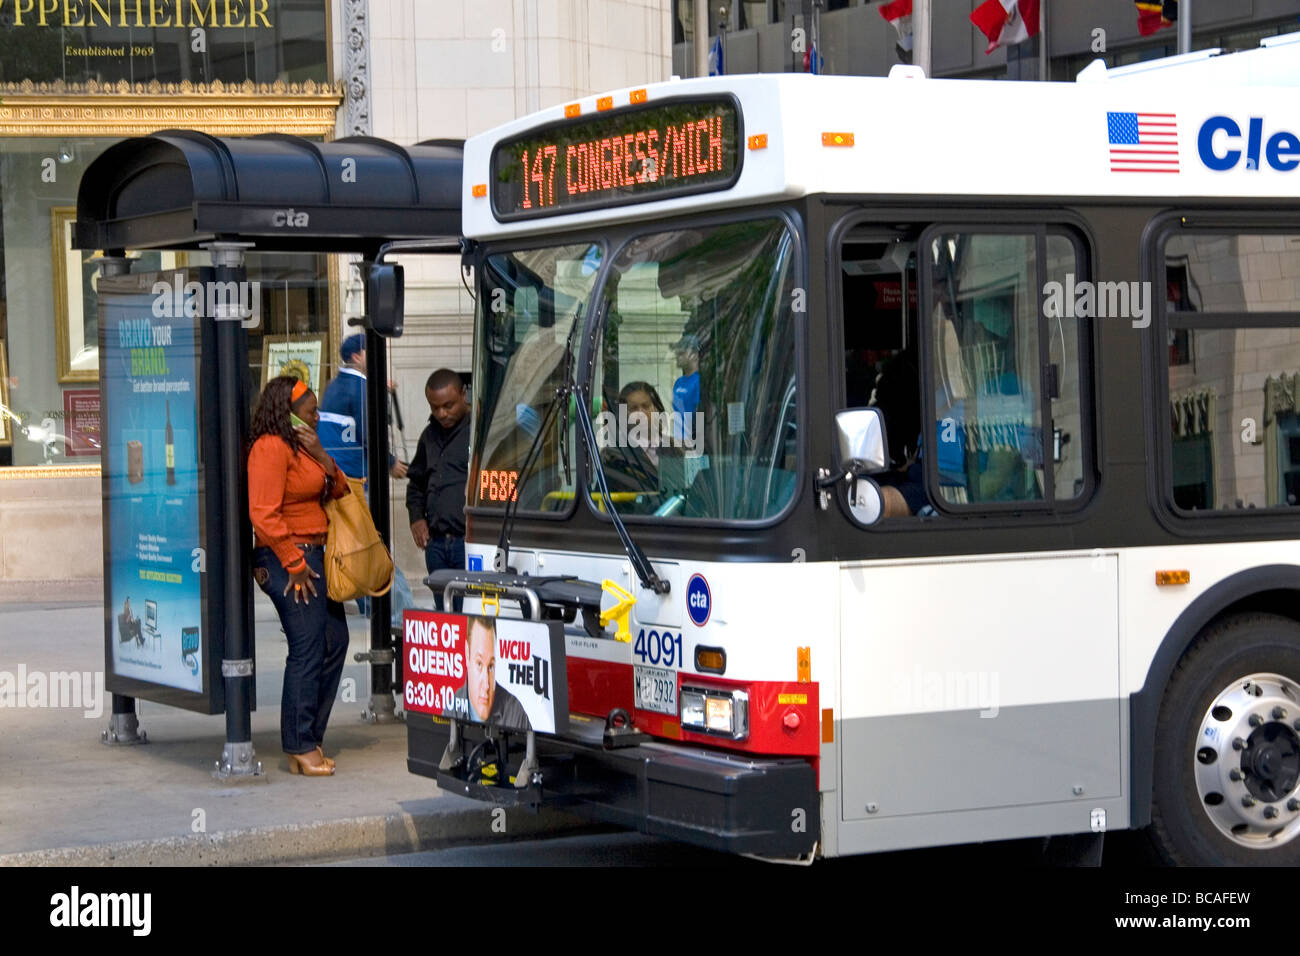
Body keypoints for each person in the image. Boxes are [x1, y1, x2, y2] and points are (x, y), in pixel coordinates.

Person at [247, 376, 351, 776]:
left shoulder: (303, 445)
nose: (318, 414)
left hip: (314, 554)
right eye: (310, 410)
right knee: (308, 647)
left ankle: (309, 737)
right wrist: (293, 562)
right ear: (287, 412)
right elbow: (263, 513)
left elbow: (339, 489)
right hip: (289, 560)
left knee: (334, 639)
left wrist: (322, 455)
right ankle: (300, 744)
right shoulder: (270, 447)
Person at [317, 332, 411, 616]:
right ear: (358, 356)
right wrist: (391, 463)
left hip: (336, 480)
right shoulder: (361, 389)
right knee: (374, 545)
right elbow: (371, 433)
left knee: (353, 545)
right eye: (372, 350)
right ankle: (400, 611)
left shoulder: (335, 386)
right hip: (357, 481)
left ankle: (370, 602)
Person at [406, 368, 470, 611]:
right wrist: (416, 518)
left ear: (464, 395)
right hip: (436, 544)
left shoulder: (477, 431)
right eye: (435, 407)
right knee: (444, 615)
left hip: (467, 542)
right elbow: (416, 484)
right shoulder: (429, 436)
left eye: (449, 405)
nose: (442, 413)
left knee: (469, 617)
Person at [446, 616, 530, 730]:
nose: (486, 685)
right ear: (467, 654)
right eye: (479, 664)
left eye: (491, 666)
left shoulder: (515, 712)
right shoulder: (453, 706)